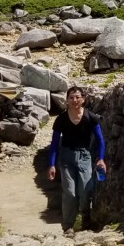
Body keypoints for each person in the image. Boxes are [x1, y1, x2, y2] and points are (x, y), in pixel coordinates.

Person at [47, 86, 106, 234]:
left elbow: (100, 140)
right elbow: (54, 144)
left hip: (84, 156)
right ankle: (68, 226)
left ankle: (85, 217)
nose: (75, 100)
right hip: (66, 158)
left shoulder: (90, 117)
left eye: (78, 97)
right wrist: (52, 165)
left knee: (86, 190)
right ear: (67, 100)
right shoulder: (61, 119)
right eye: (71, 97)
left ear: (83, 99)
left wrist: (101, 159)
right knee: (70, 192)